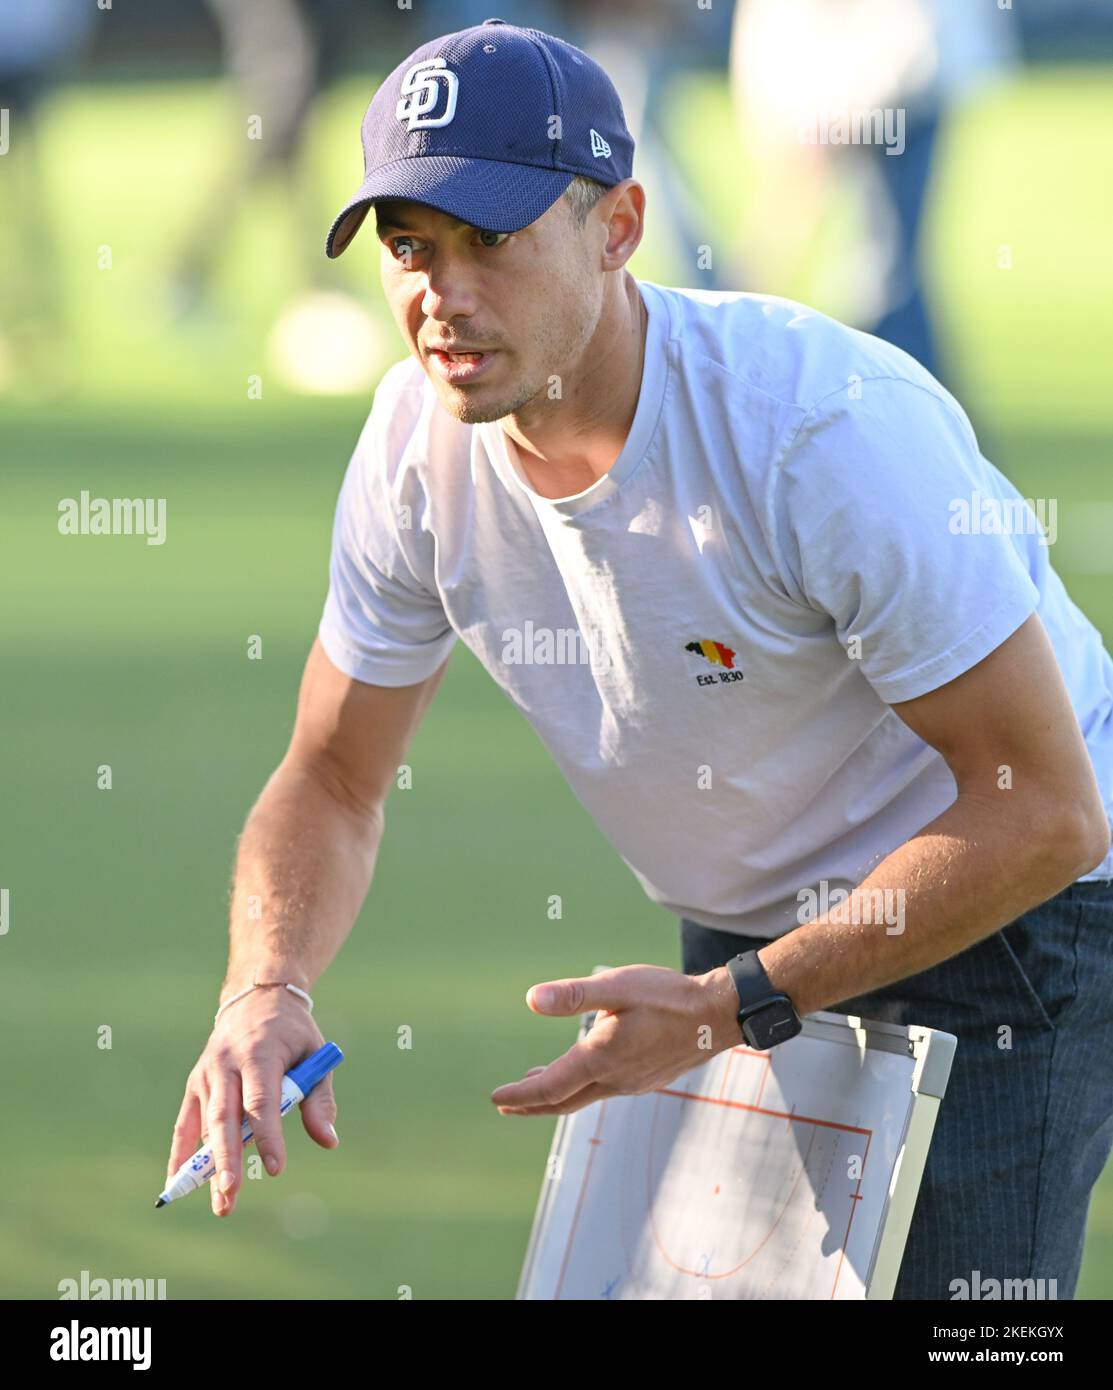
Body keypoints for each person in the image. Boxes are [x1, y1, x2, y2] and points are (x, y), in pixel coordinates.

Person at [166, 18, 1113, 1301]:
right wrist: (262, 985)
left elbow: (1047, 813)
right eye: (409, 245)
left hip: (1011, 907)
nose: (439, 294)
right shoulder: (411, 449)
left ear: (619, 225)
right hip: (749, 923)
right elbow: (333, 777)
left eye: (489, 240)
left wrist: (734, 1002)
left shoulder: (817, 432)